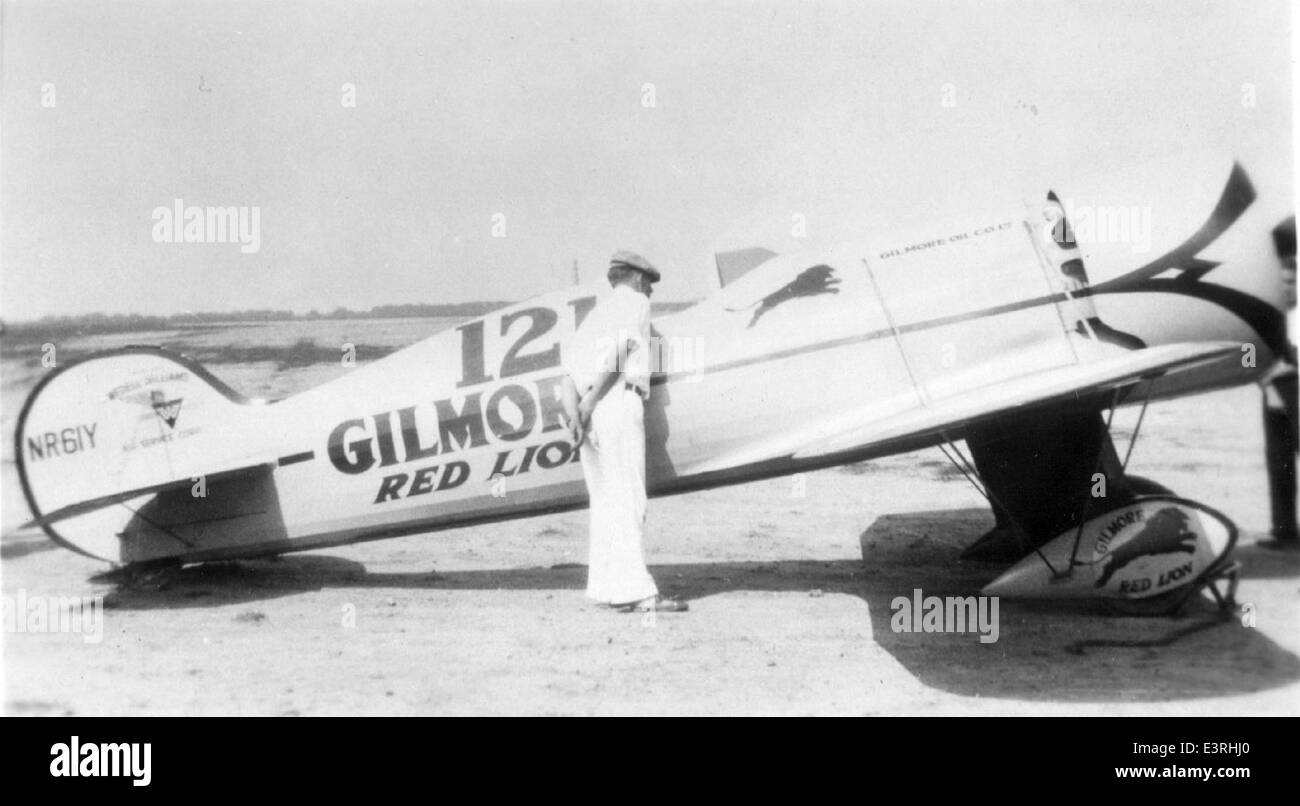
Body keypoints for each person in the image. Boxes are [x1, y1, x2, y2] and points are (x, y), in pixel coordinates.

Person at [560, 251, 687, 612]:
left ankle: (607, 589)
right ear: (634, 279)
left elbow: (567, 375)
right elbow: (625, 348)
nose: (649, 291)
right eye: (648, 283)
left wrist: (576, 415)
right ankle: (640, 594)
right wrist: (592, 401)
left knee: (604, 501)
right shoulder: (633, 303)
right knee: (629, 498)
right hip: (616, 401)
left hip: (590, 414)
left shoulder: (595, 316)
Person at [1261, 216, 1298, 549]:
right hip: (1274, 382)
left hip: (1292, 380)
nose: (1287, 287)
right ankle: (1283, 528)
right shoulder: (1275, 310)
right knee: (1278, 459)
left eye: (1291, 280)